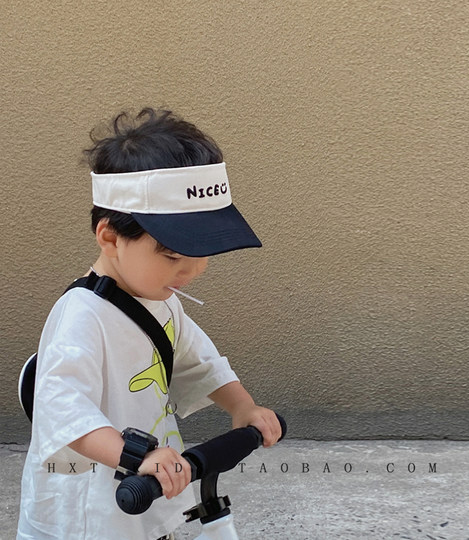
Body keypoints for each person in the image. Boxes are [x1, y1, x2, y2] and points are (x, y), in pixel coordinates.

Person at [17, 108, 282, 540]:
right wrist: (135, 456)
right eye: (173, 254)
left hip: (150, 482)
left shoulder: (161, 300)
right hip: (89, 505)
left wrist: (242, 407)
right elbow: (63, 409)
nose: (192, 271)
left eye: (203, 252)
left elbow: (199, 361)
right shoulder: (82, 316)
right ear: (110, 237)